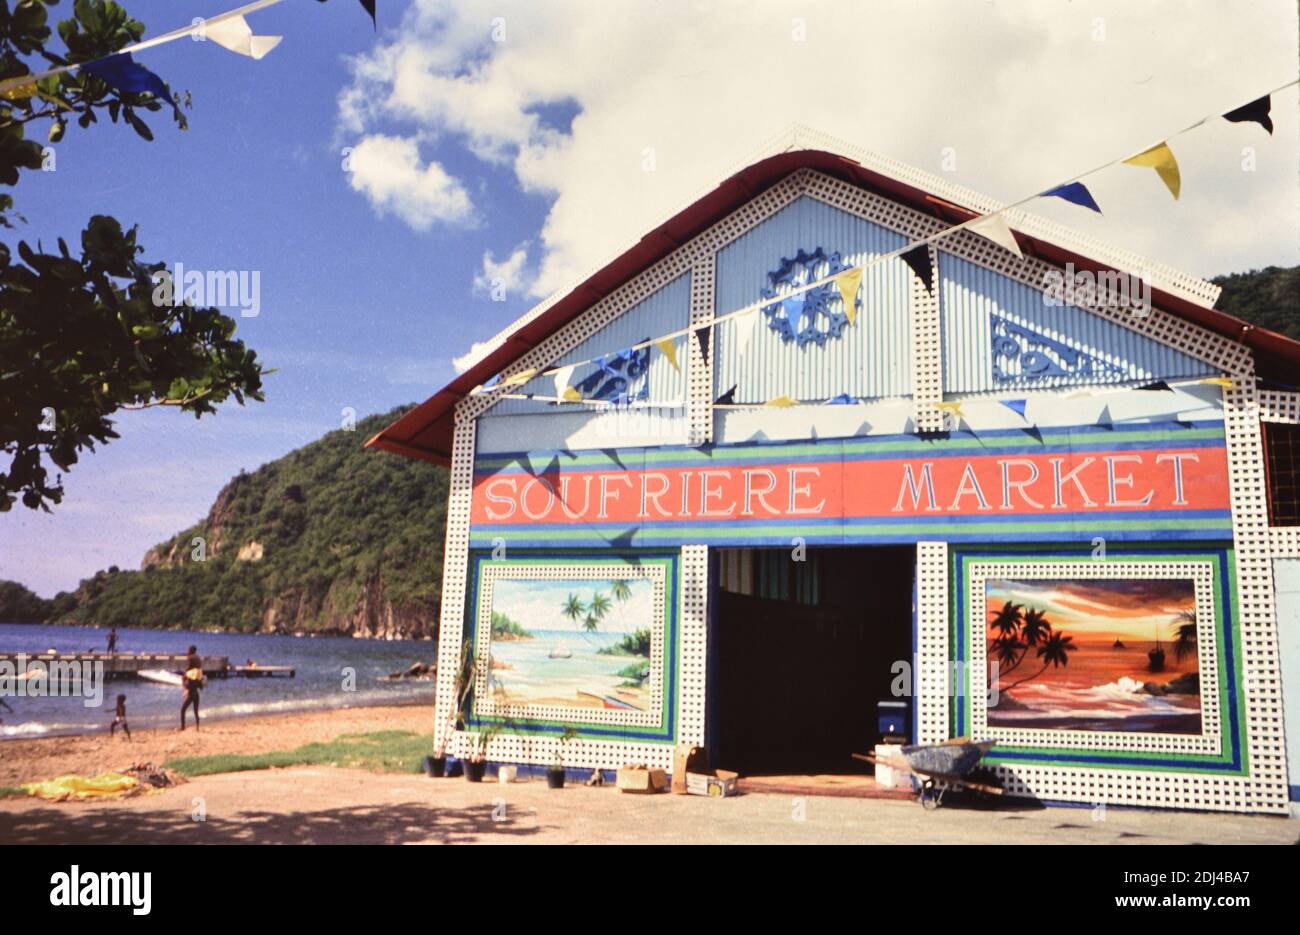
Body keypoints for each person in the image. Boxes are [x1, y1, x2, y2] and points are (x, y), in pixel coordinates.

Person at [180, 645, 204, 731]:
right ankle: (197, 727)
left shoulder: (190, 657)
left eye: (188, 650)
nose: (187, 651)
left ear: (190, 650)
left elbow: (189, 667)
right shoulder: (198, 657)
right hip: (196, 689)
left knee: (182, 710)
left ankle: (183, 727)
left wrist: (185, 673)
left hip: (192, 690)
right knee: (195, 710)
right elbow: (198, 668)